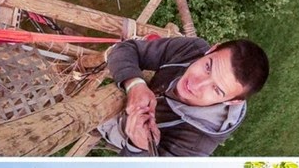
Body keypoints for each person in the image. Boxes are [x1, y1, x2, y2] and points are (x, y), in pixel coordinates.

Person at [97, 37, 269, 156]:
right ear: (212, 49)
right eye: (207, 67)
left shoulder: (195, 145)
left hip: (114, 132)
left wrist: (138, 146)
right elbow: (125, 48)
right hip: (106, 104)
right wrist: (135, 84)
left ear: (232, 101)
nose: (196, 84)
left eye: (216, 89)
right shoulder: (192, 49)